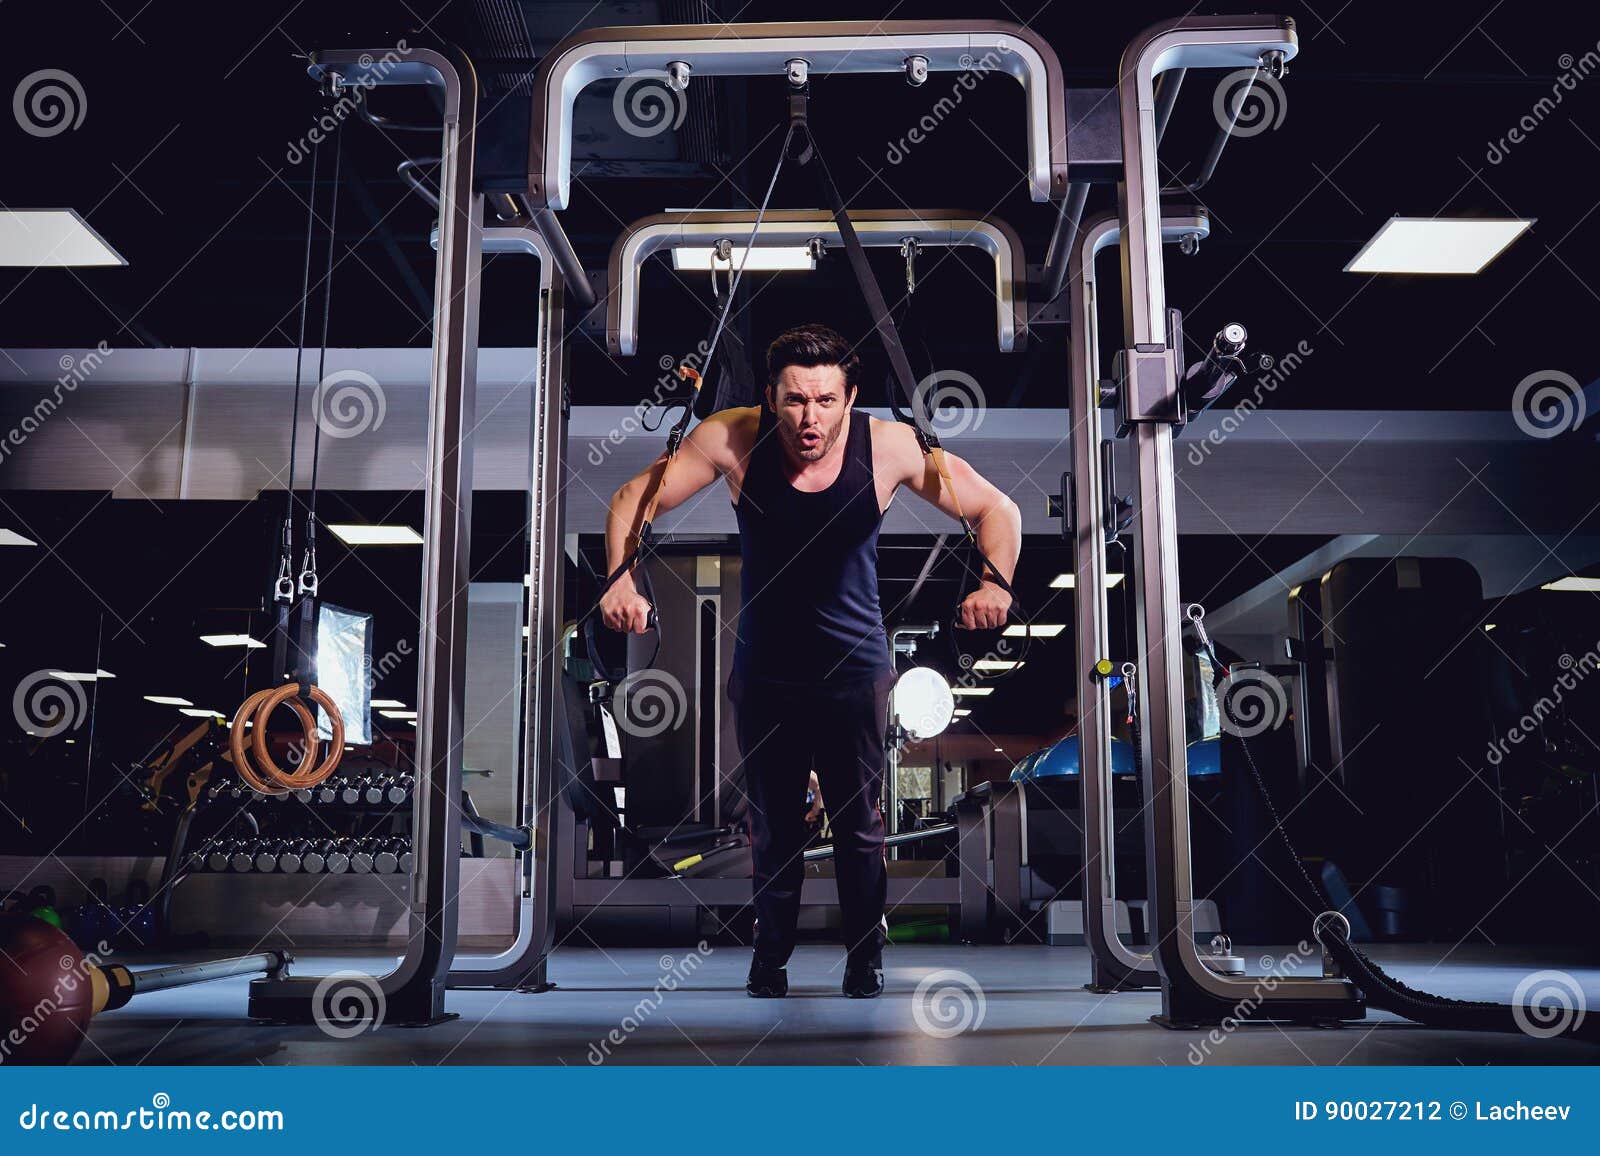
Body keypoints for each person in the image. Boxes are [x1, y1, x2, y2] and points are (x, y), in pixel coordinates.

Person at [600, 323, 1021, 998]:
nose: (809, 417)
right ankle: (770, 960)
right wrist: (620, 580)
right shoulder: (731, 437)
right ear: (770, 397)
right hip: (765, 672)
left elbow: (995, 508)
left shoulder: (889, 446)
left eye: (825, 400)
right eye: (794, 400)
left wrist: (994, 583)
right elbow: (630, 501)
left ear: (850, 396)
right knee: (771, 826)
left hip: (855, 670)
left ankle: (864, 958)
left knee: (859, 824)